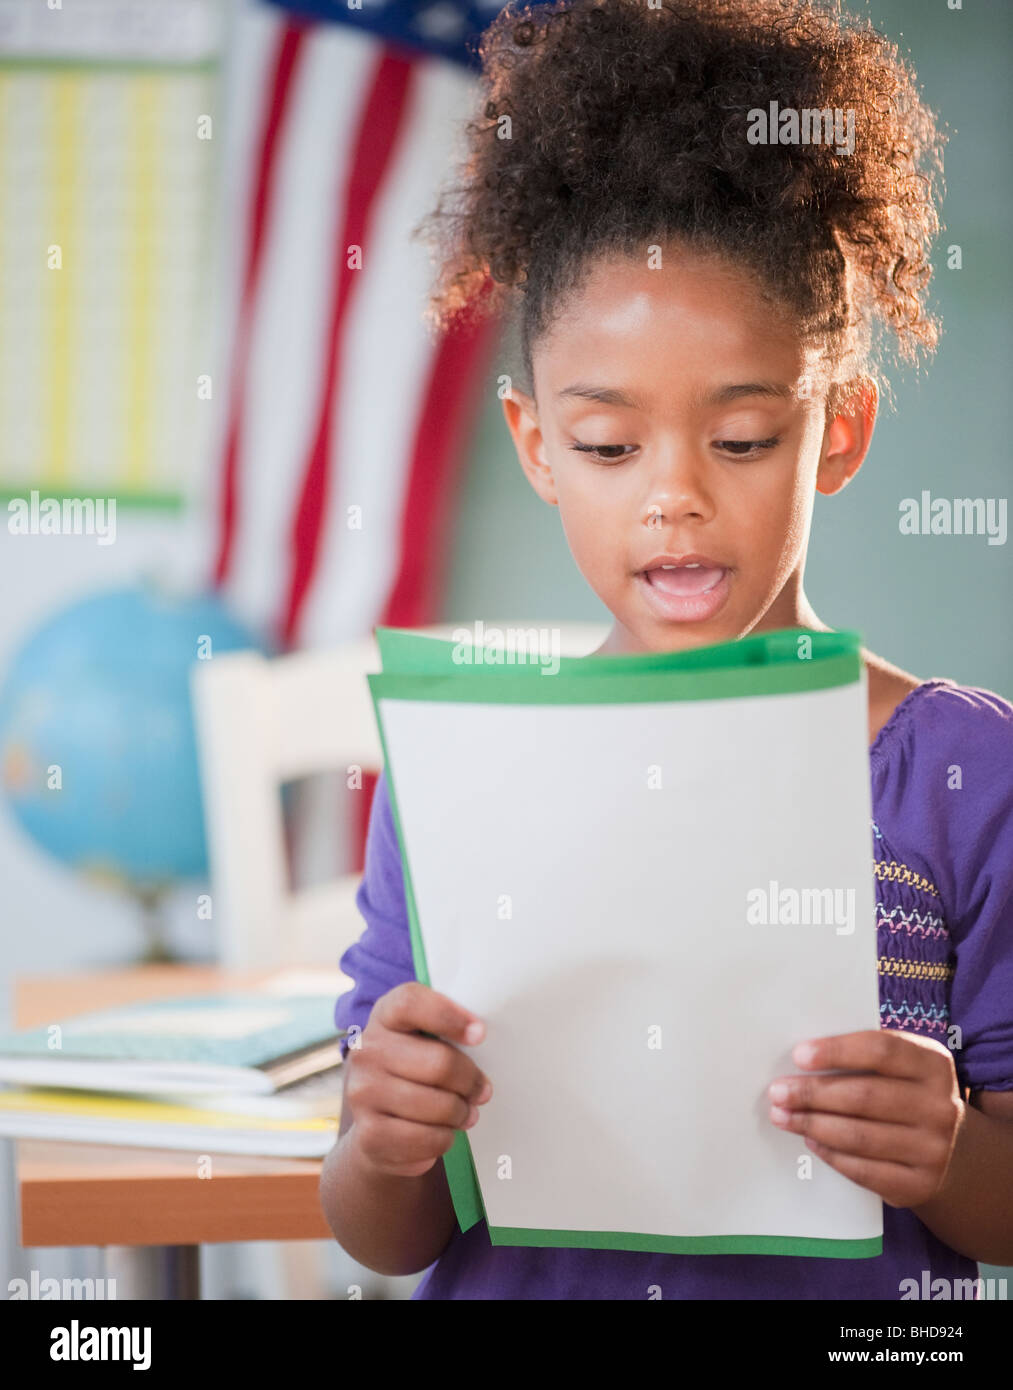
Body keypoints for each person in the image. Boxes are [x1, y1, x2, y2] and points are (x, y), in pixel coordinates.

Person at [319, 0, 1013, 1298]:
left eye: (741, 438)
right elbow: (379, 1228)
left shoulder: (961, 770)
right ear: (536, 447)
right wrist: (385, 1134)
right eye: (606, 444)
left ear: (839, 429)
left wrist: (951, 1148)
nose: (672, 496)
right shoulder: (462, 766)